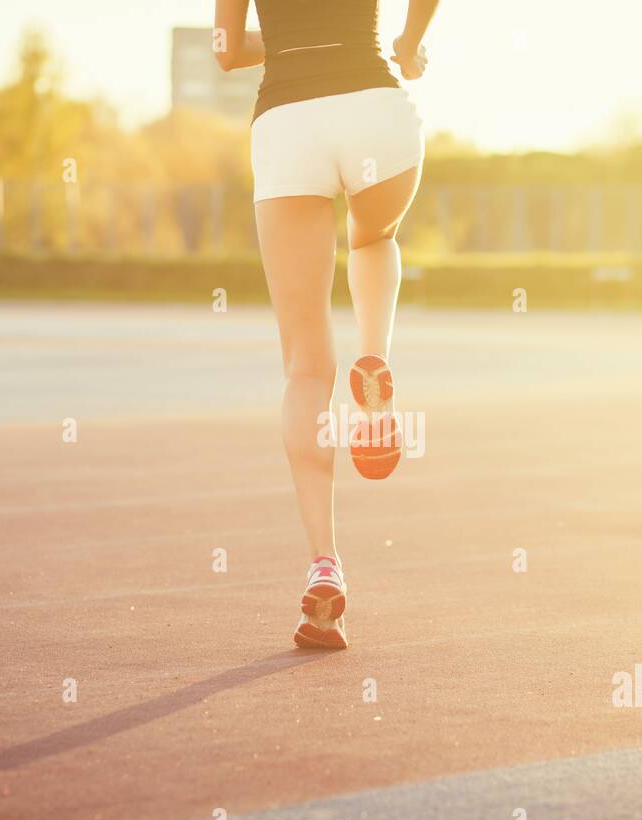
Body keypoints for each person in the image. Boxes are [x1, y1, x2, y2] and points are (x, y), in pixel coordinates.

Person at [215, 0, 438, 650]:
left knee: (307, 367)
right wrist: (409, 43)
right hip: (375, 109)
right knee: (372, 241)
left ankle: (325, 568)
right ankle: (377, 359)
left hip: (288, 125)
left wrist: (285, 40)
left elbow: (225, 49)